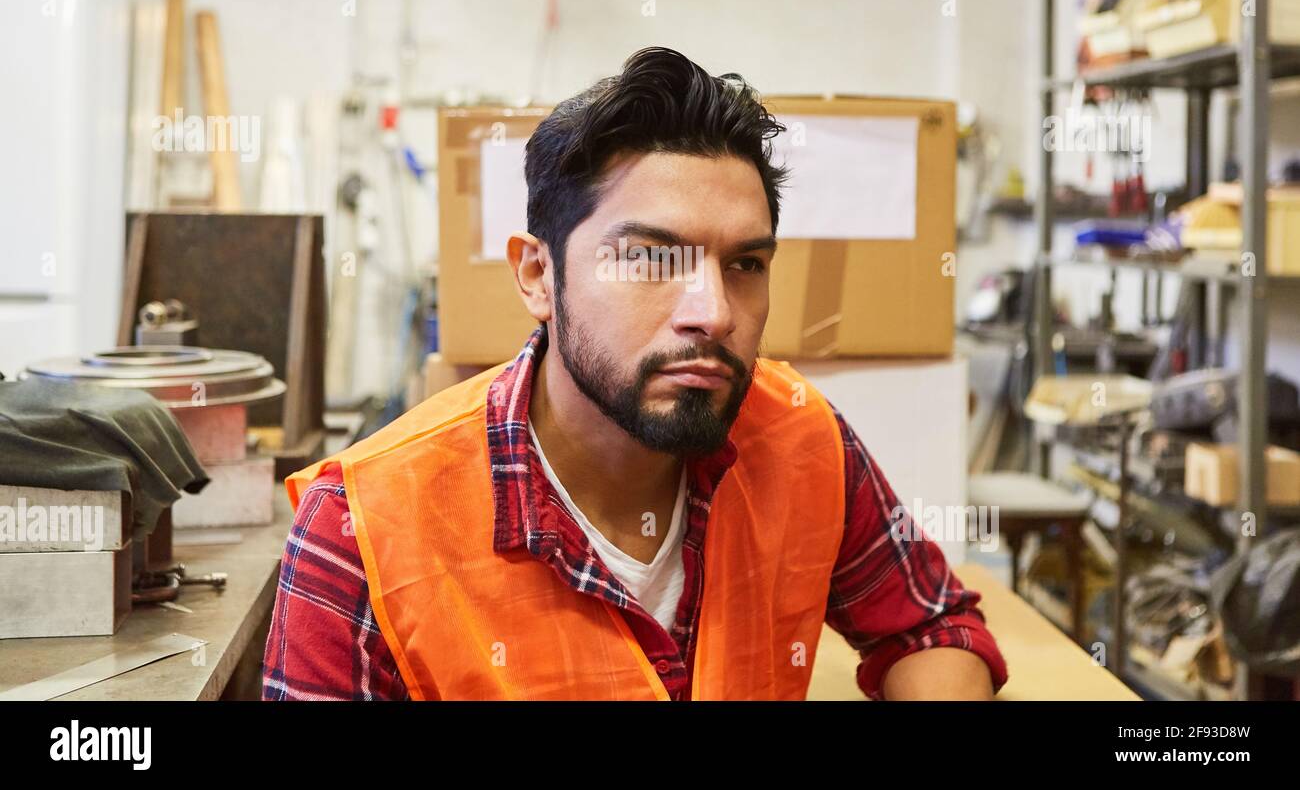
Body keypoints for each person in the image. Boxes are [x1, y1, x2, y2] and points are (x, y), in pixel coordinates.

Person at [263, 46, 1007, 700]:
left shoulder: (799, 439)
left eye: (745, 264)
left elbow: (931, 626)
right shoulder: (362, 528)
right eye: (654, 258)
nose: (713, 312)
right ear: (537, 274)